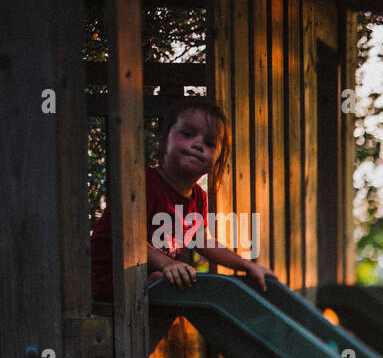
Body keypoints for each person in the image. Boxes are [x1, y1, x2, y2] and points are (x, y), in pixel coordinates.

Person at [90, 100, 275, 301]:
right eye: (187, 134)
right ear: (163, 140)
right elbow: (127, 238)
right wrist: (166, 264)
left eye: (210, 143)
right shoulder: (143, 184)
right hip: (109, 283)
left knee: (175, 283)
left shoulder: (198, 197)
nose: (197, 144)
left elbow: (202, 241)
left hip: (151, 280)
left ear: (218, 158)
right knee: (166, 280)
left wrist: (246, 265)